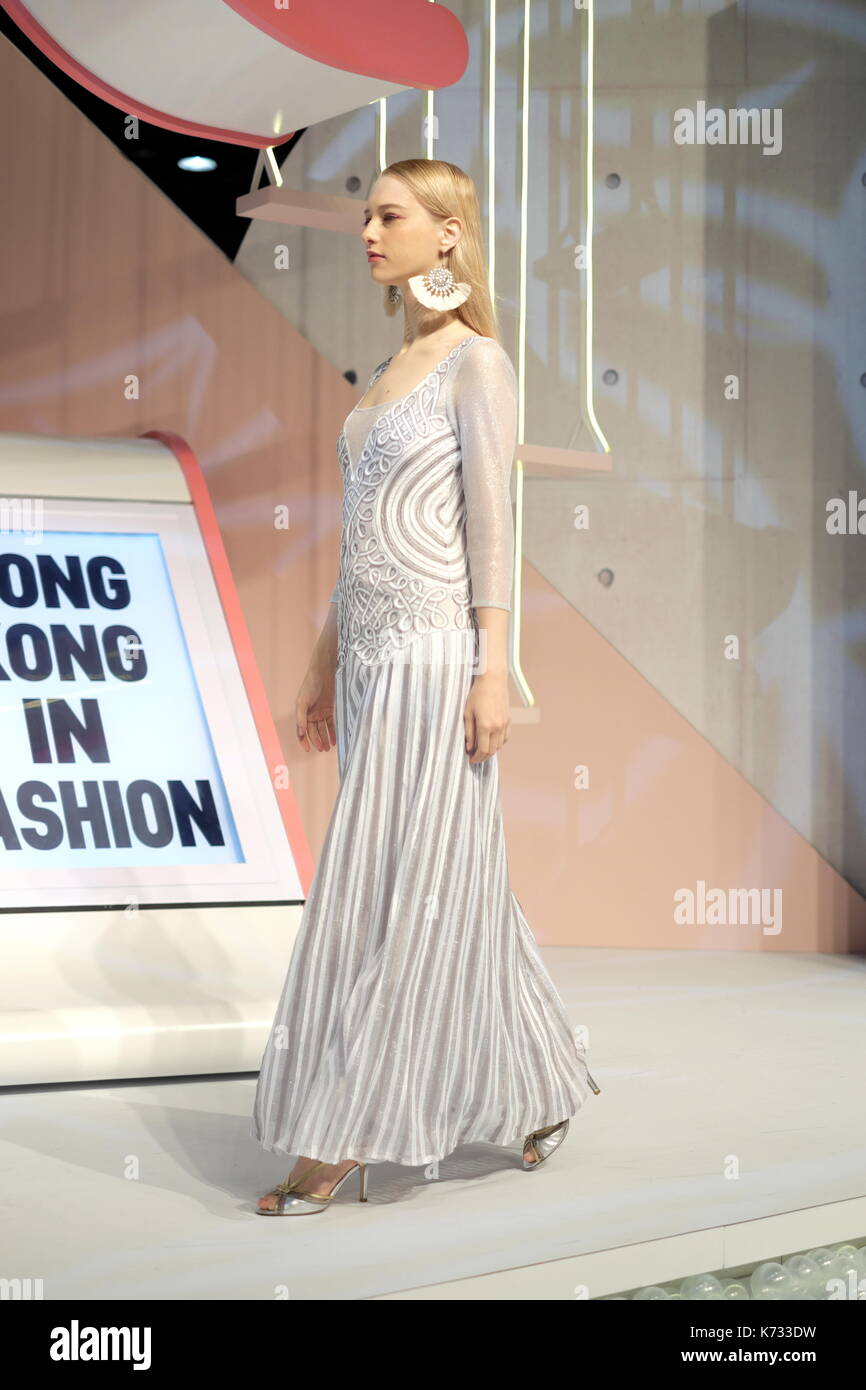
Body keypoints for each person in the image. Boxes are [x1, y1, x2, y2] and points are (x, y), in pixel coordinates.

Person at [251, 158, 600, 1215]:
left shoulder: (475, 364)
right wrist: (321, 664)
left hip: (438, 669)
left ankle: (351, 1126)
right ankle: (537, 1080)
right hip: (367, 669)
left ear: (446, 234)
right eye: (364, 215)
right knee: (454, 891)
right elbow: (366, 545)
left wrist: (493, 671)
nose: (366, 231)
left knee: (398, 892)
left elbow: (491, 533)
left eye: (389, 216)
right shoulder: (385, 373)